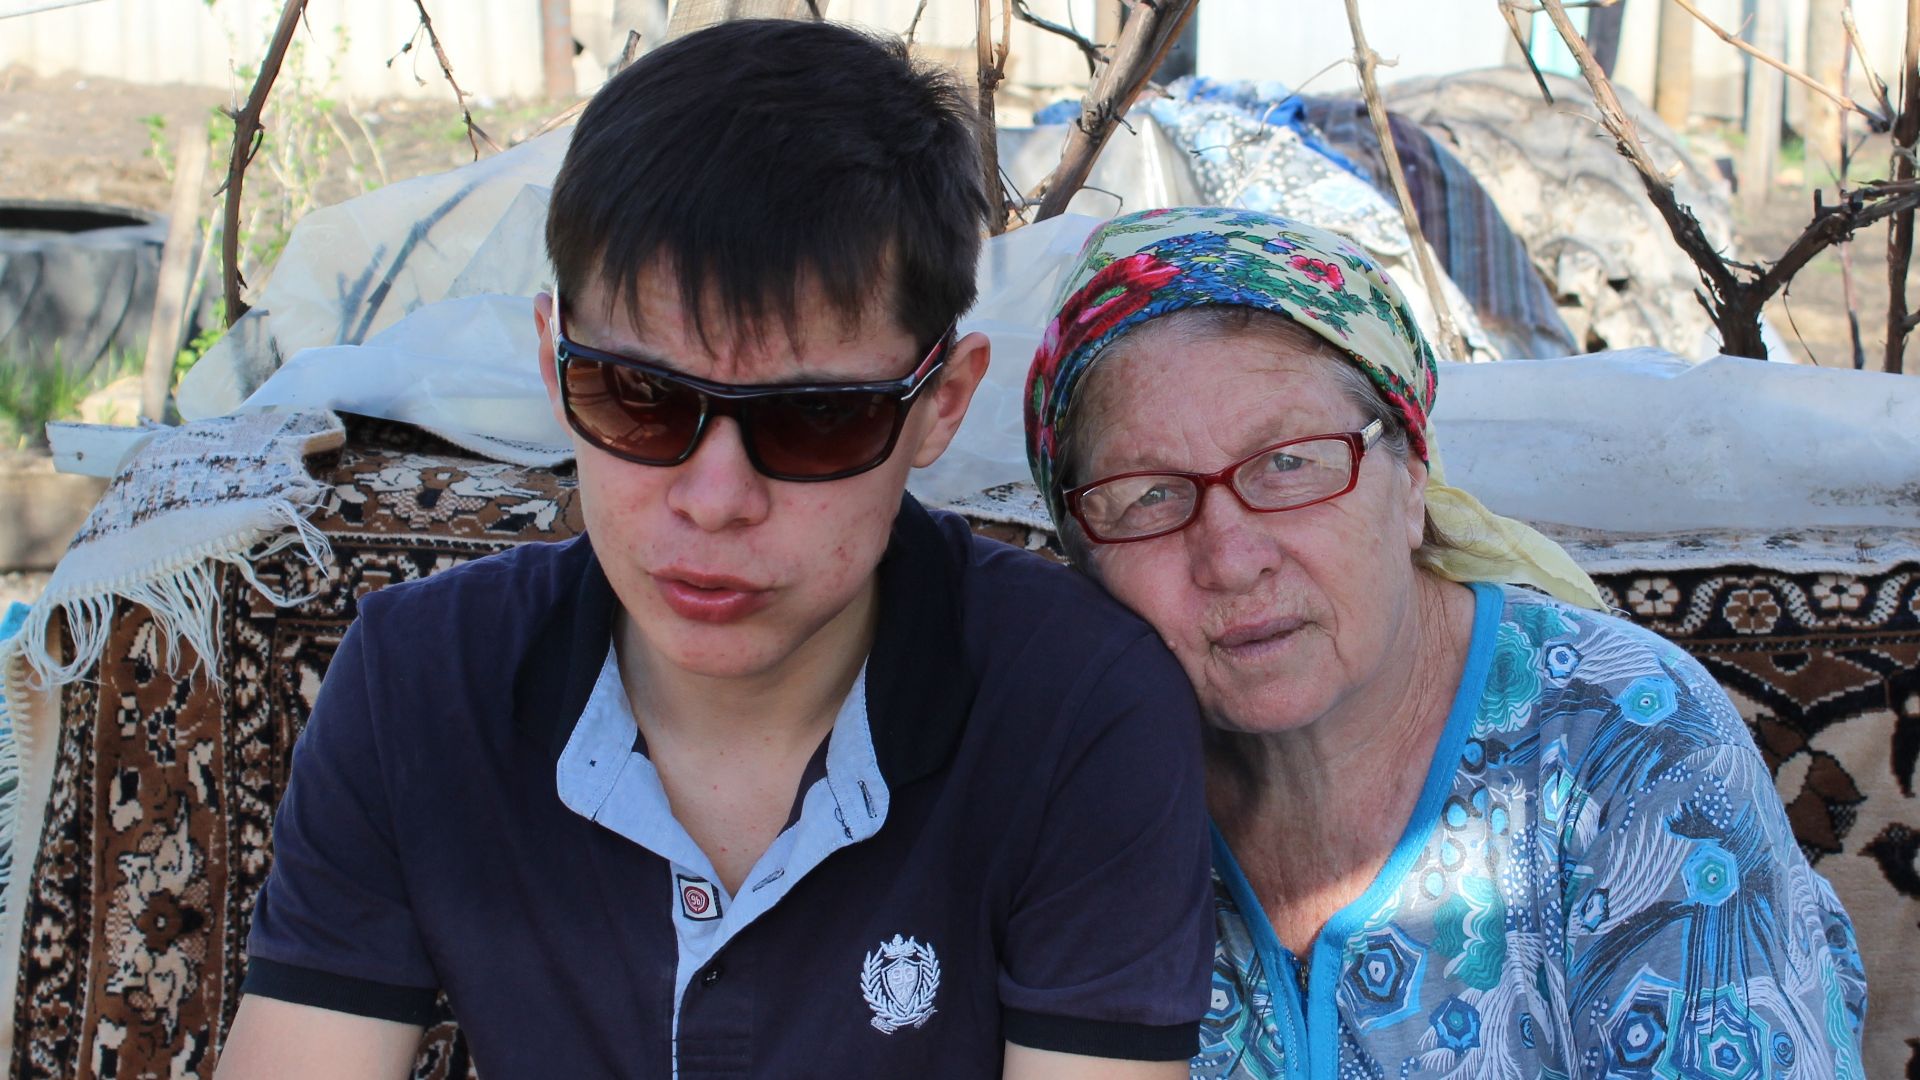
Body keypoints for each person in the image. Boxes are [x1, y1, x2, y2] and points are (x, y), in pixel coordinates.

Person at [216, 23, 1213, 1079]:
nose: (715, 500)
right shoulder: (420, 683)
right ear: (553, 365)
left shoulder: (1075, 711)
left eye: (816, 417)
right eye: (639, 396)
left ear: (942, 405)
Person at [1022, 207, 1869, 1079]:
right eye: (1149, 494)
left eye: (1291, 462)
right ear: (1082, 551)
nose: (1232, 560)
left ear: (1411, 477)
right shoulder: (1064, 788)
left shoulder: (1626, 742)